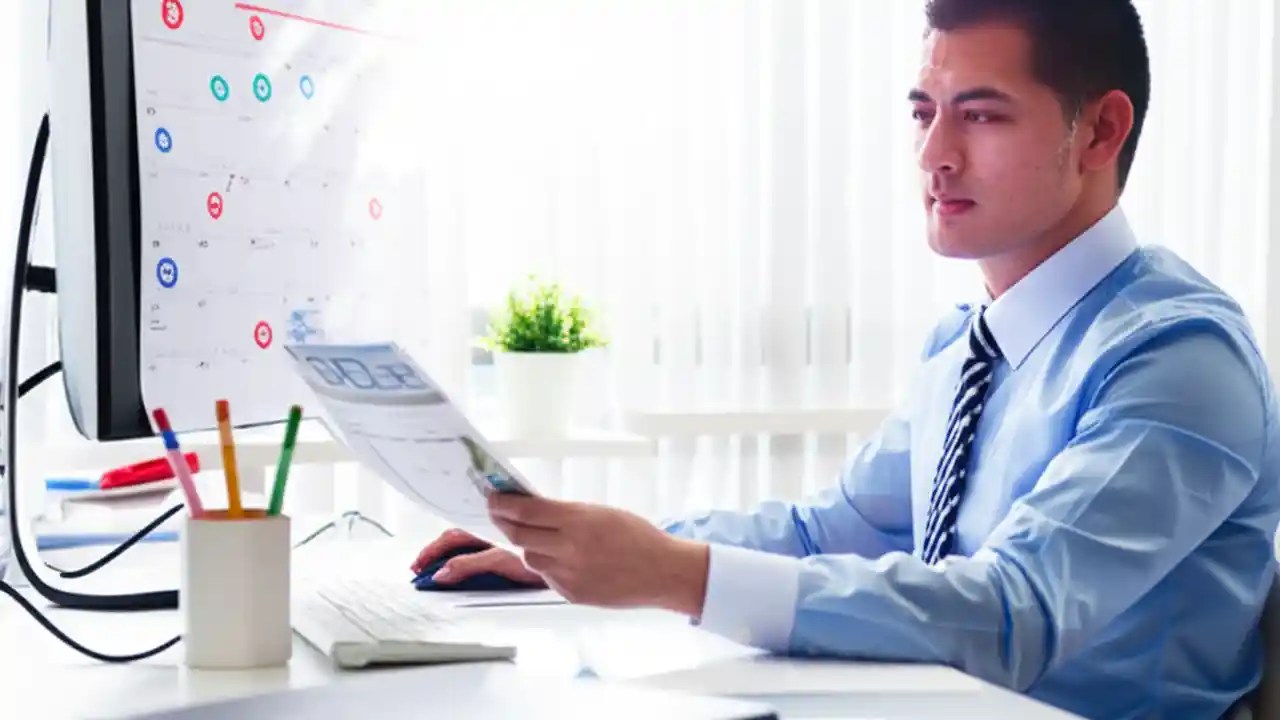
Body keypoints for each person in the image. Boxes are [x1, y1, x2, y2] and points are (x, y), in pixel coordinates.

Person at [411, 1, 1280, 717]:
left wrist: (671, 575)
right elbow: (824, 531)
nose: (935, 156)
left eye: (980, 114)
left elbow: (1013, 615)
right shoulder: (967, 344)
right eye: (922, 112)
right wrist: (577, 549)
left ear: (1101, 131)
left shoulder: (1179, 357)